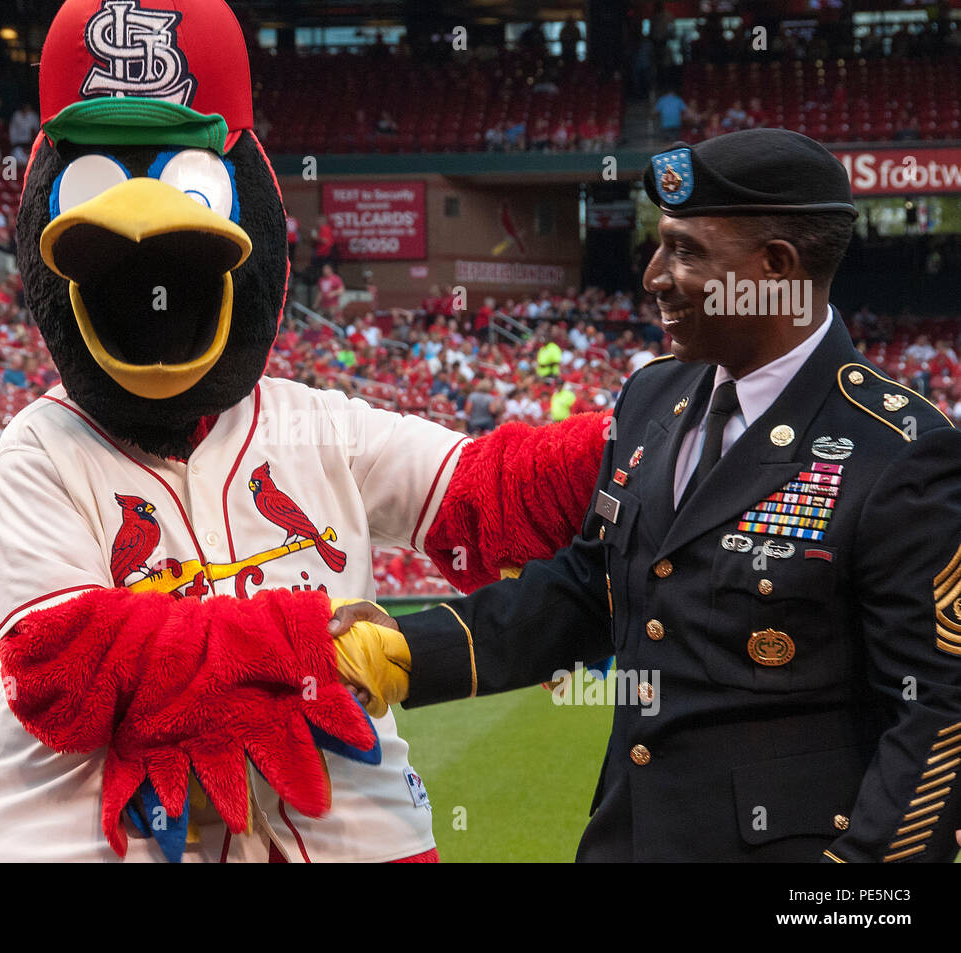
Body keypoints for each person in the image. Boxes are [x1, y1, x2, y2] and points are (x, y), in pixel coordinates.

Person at [331, 129, 961, 862]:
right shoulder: (653, 398)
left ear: (776, 268)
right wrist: (408, 649)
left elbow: (938, 714)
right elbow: (586, 590)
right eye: (659, 246)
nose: (655, 275)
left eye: (687, 251)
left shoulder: (898, 451)